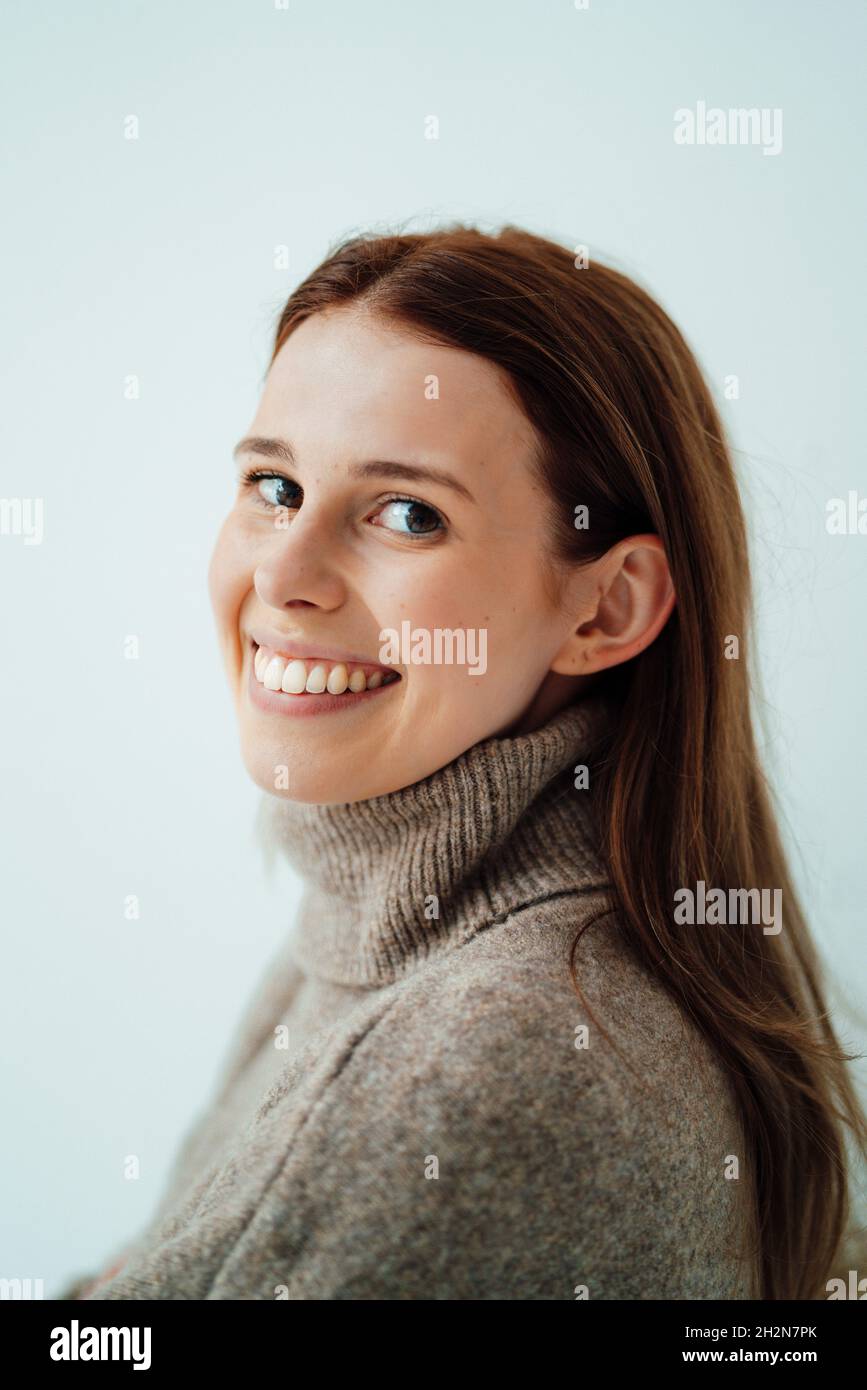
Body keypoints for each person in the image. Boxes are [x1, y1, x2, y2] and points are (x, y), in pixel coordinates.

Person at [59, 224, 866, 1300]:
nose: (285, 577)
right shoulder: (371, 931)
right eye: (275, 487)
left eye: (406, 513)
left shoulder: (504, 1063)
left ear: (607, 606)